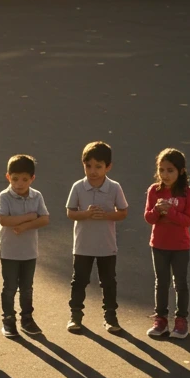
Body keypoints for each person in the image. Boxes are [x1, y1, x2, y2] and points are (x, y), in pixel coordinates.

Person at [66, 141, 128, 334]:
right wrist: (85, 214)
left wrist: (107, 215)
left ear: (108, 167)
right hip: (83, 245)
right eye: (88, 166)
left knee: (108, 281)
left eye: (98, 167)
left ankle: (110, 317)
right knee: (79, 281)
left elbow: (123, 212)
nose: (93, 171)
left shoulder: (114, 187)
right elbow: (70, 212)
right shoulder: (78, 187)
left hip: (106, 245)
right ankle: (75, 316)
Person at [144, 147, 190, 340]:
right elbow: (149, 218)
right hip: (158, 244)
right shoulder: (154, 191)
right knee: (161, 282)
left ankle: (181, 319)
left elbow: (189, 220)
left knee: (180, 283)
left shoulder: (187, 193)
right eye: (162, 169)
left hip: (180, 246)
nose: (165, 174)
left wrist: (170, 212)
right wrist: (158, 210)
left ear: (180, 171)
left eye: (170, 170)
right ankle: (161, 319)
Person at [0, 153, 50, 339]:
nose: (19, 184)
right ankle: (8, 320)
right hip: (9, 252)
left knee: (27, 287)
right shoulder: (4, 196)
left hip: (29, 252)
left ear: (32, 179)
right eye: (15, 179)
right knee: (10, 287)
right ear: (8, 177)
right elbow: (3, 219)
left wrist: (26, 226)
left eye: (25, 179)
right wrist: (28, 216)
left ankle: (27, 318)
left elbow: (44, 218)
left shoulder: (37, 196)